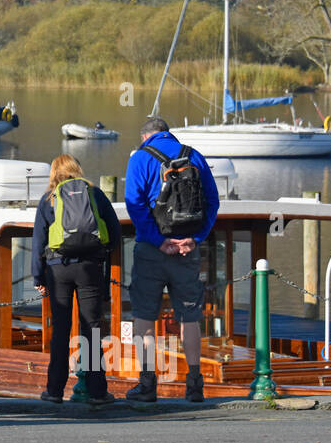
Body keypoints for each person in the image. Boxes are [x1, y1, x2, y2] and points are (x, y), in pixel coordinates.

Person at [123, 116, 220, 402]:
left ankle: (147, 384)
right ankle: (194, 384)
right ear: (168, 133)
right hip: (187, 250)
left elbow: (134, 204)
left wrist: (158, 240)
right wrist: (196, 238)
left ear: (145, 137)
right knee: (190, 316)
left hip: (153, 251)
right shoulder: (194, 156)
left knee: (144, 316)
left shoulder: (140, 158)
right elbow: (213, 202)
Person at [31, 154, 121, 406]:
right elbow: (114, 231)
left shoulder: (48, 199)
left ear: (53, 173)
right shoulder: (95, 194)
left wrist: (38, 275)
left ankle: (54, 390)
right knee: (91, 328)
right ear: (77, 169)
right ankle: (97, 392)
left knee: (60, 330)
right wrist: (100, 253)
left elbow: (38, 240)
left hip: (58, 268)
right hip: (89, 267)